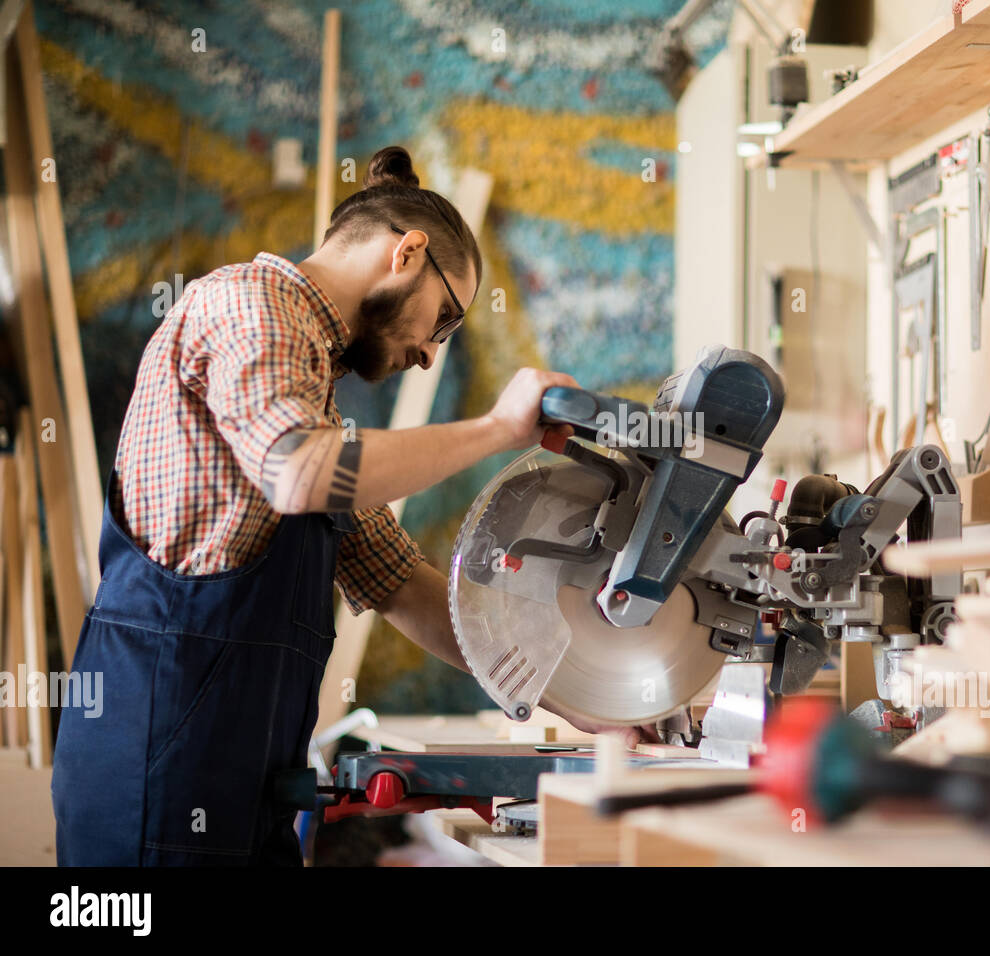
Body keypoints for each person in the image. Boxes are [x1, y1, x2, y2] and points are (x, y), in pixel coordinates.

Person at [51, 145, 652, 866]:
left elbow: (403, 586)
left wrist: (581, 703)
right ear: (407, 253)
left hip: (241, 790)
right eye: (443, 320)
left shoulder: (312, 400)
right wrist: (498, 429)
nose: (429, 353)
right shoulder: (249, 306)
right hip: (154, 784)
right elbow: (299, 473)